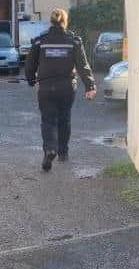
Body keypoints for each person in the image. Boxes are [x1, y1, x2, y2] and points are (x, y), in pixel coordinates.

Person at [25, 9, 96, 171]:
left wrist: (31, 80)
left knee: (48, 120)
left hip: (46, 87)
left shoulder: (40, 41)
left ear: (51, 22)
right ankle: (63, 152)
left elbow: (30, 65)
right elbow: (82, 65)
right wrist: (90, 86)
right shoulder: (73, 41)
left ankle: (49, 149)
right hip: (66, 87)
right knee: (64, 119)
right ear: (65, 21)